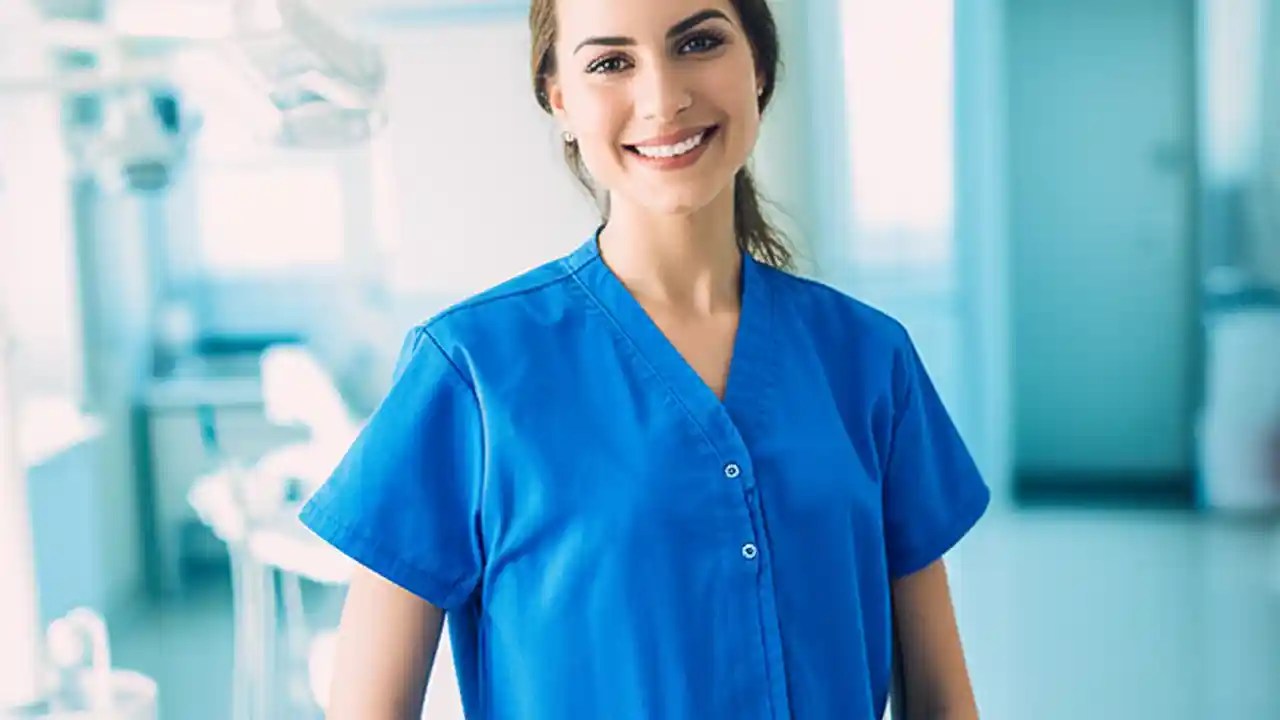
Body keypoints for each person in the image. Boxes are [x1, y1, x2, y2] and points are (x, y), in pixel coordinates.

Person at [298, 0, 990, 717]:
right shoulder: (470, 372)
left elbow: (942, 700)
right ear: (560, 99)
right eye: (610, 62)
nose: (663, 97)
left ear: (758, 63)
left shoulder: (870, 362)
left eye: (698, 42)